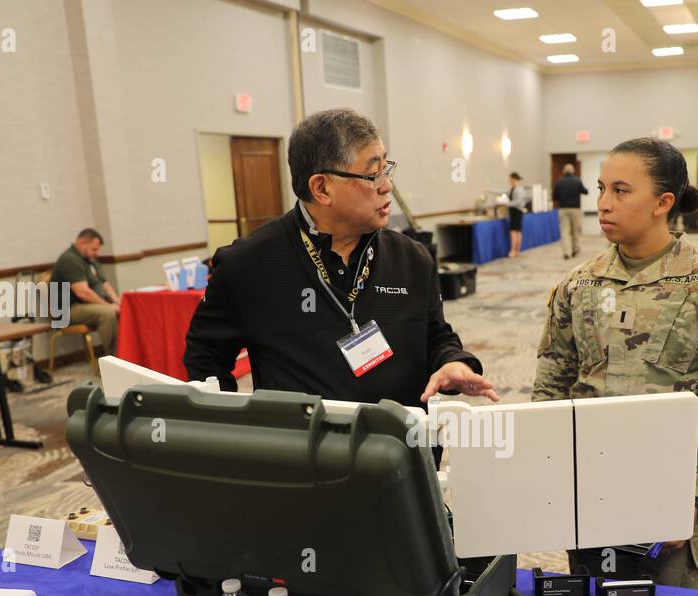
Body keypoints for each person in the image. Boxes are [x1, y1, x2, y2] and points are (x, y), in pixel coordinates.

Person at [533, 137, 698, 592]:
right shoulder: (578, 285)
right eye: (600, 189)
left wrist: (692, 502)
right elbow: (549, 395)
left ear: (663, 202)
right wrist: (553, 482)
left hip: (682, 517)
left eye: (621, 191)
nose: (602, 204)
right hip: (594, 500)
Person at [183, 108, 497, 409]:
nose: (386, 186)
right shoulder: (249, 265)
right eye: (372, 173)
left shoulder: (413, 258)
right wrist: (233, 428)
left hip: (401, 451)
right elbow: (206, 357)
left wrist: (453, 361)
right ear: (321, 188)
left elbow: (436, 336)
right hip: (304, 456)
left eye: (386, 168)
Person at [52, 227, 120, 352]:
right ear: (82, 243)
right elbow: (83, 292)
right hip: (68, 309)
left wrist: (118, 302)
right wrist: (109, 306)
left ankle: (132, 354)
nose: (97, 253)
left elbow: (105, 284)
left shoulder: (91, 260)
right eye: (94, 249)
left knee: (124, 308)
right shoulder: (69, 259)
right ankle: (115, 358)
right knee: (108, 313)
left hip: (87, 304)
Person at [552, 163, 589, 259]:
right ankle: (575, 250)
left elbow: (554, 196)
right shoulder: (577, 180)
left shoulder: (558, 181)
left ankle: (566, 252)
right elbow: (585, 191)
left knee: (564, 231)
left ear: (564, 171)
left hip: (563, 209)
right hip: (575, 209)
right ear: (572, 171)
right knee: (575, 230)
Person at [506, 172, 530, 258]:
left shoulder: (520, 189)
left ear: (514, 179)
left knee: (515, 232)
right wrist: (489, 190)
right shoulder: (512, 188)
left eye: (510, 179)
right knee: (516, 231)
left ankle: (514, 250)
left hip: (517, 212)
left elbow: (518, 202)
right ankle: (516, 250)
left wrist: (507, 203)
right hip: (513, 212)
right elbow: (503, 191)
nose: (509, 181)